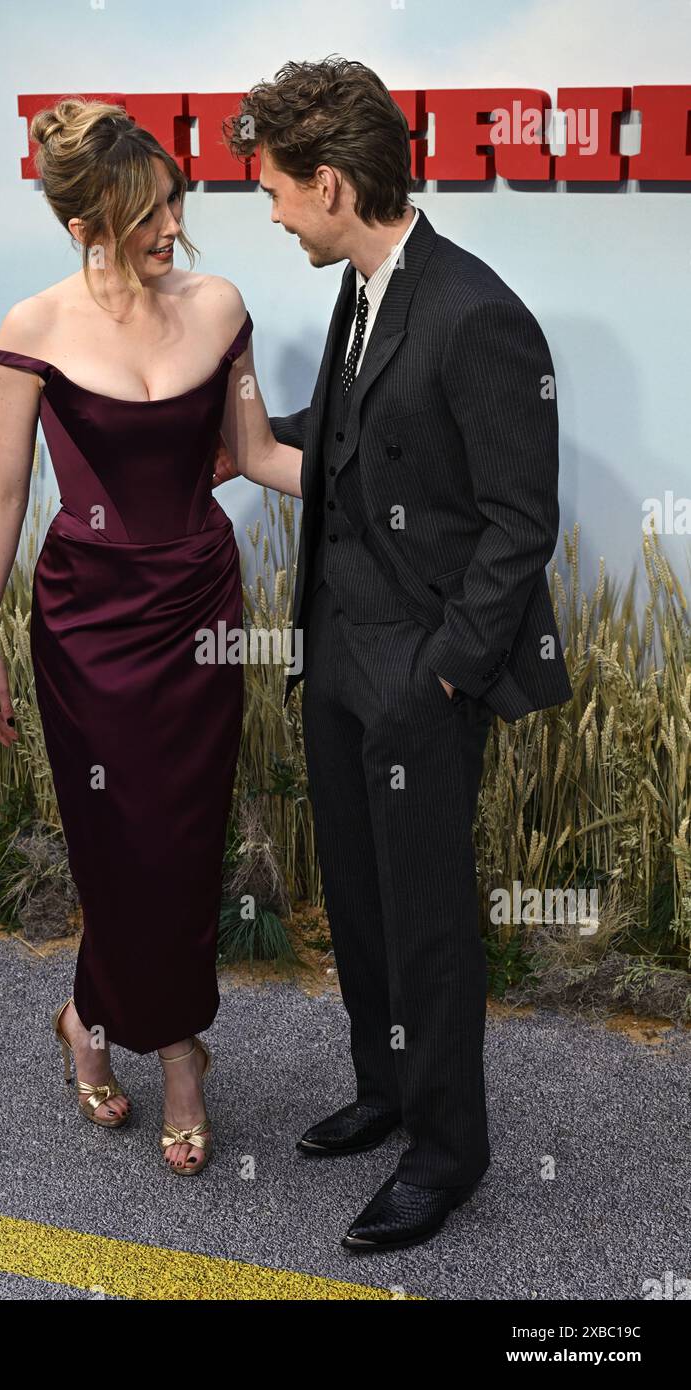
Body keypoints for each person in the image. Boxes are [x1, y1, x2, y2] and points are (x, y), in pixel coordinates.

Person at [222, 57, 573, 1246]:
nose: (268, 213)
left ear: (329, 185)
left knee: (424, 919)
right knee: (362, 907)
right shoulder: (365, 290)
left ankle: (446, 1150)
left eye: (273, 190)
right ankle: (384, 1089)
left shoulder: (477, 313)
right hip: (336, 657)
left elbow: (524, 522)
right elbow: (351, 434)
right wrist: (244, 433)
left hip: (420, 671)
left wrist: (444, 673)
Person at [0, 97, 300, 1176]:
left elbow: (253, 452)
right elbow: (7, 492)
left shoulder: (220, 304)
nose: (171, 229)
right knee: (117, 842)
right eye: (146, 215)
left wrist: (386, 480)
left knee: (184, 837)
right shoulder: (34, 328)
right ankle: (168, 1046)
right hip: (87, 621)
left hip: (198, 607)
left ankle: (107, 1025)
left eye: (173, 203)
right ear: (84, 226)